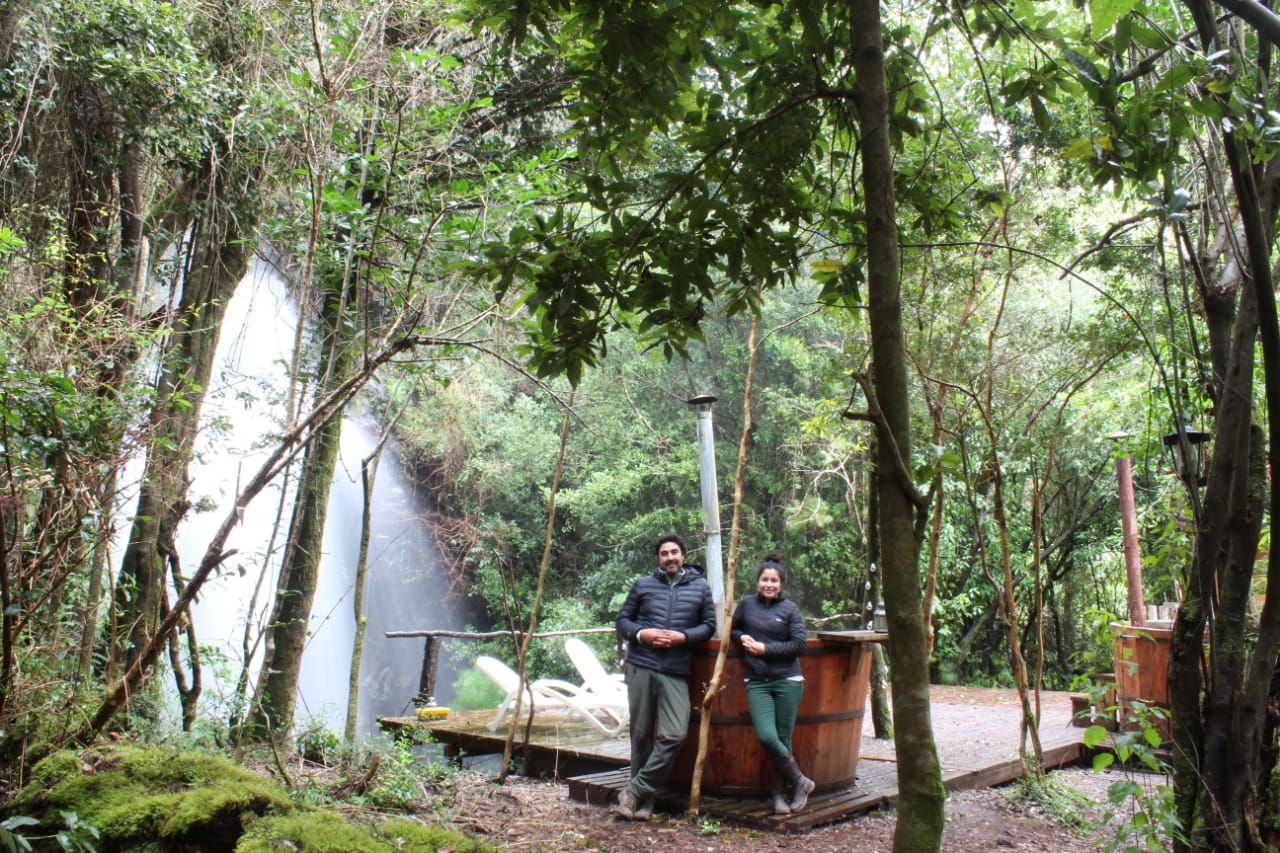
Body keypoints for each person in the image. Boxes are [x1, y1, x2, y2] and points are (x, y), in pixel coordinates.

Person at [613, 533, 717, 820]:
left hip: (675, 668)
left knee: (674, 733)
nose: (670, 557)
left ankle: (633, 791)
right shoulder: (643, 585)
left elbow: (708, 625)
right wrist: (641, 633)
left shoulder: (700, 587)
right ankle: (642, 803)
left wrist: (682, 637)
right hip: (642, 665)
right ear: (658, 558)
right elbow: (622, 621)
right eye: (664, 553)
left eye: (674, 552)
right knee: (642, 733)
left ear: (683, 555)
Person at [730, 552, 815, 814]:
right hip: (757, 681)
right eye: (765, 580)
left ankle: (779, 796)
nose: (769, 584)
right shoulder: (746, 605)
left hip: (787, 680)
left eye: (774, 581)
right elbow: (733, 629)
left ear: (781, 584)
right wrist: (742, 637)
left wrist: (765, 649)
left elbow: (799, 645)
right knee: (767, 735)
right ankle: (800, 781)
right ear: (757, 581)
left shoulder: (789, 609)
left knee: (783, 738)